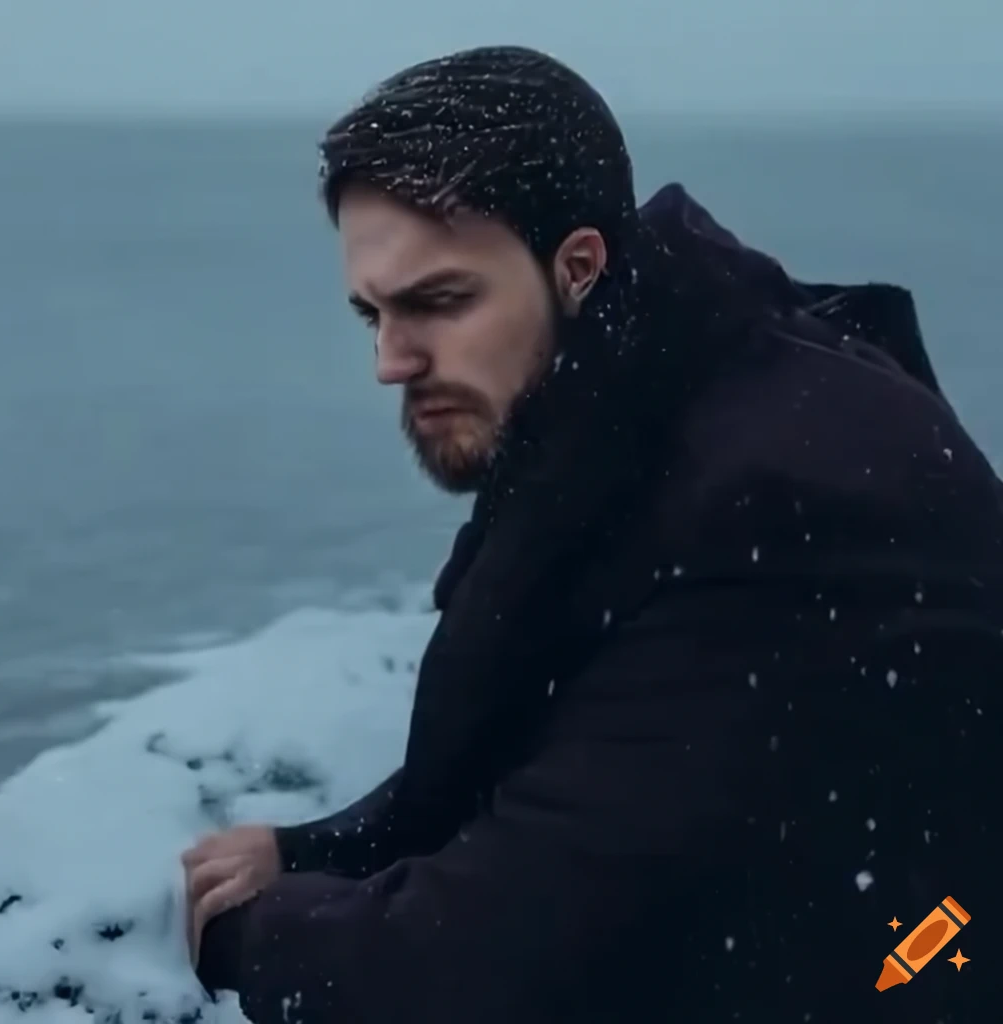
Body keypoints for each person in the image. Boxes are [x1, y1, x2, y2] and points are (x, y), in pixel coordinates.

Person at [181, 46, 1003, 1022]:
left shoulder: (774, 501)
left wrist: (253, 932)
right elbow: (578, 726)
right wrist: (331, 848)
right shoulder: (652, 374)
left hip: (912, 965)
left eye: (438, 302)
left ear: (576, 264)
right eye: (372, 313)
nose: (390, 363)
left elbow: (471, 973)